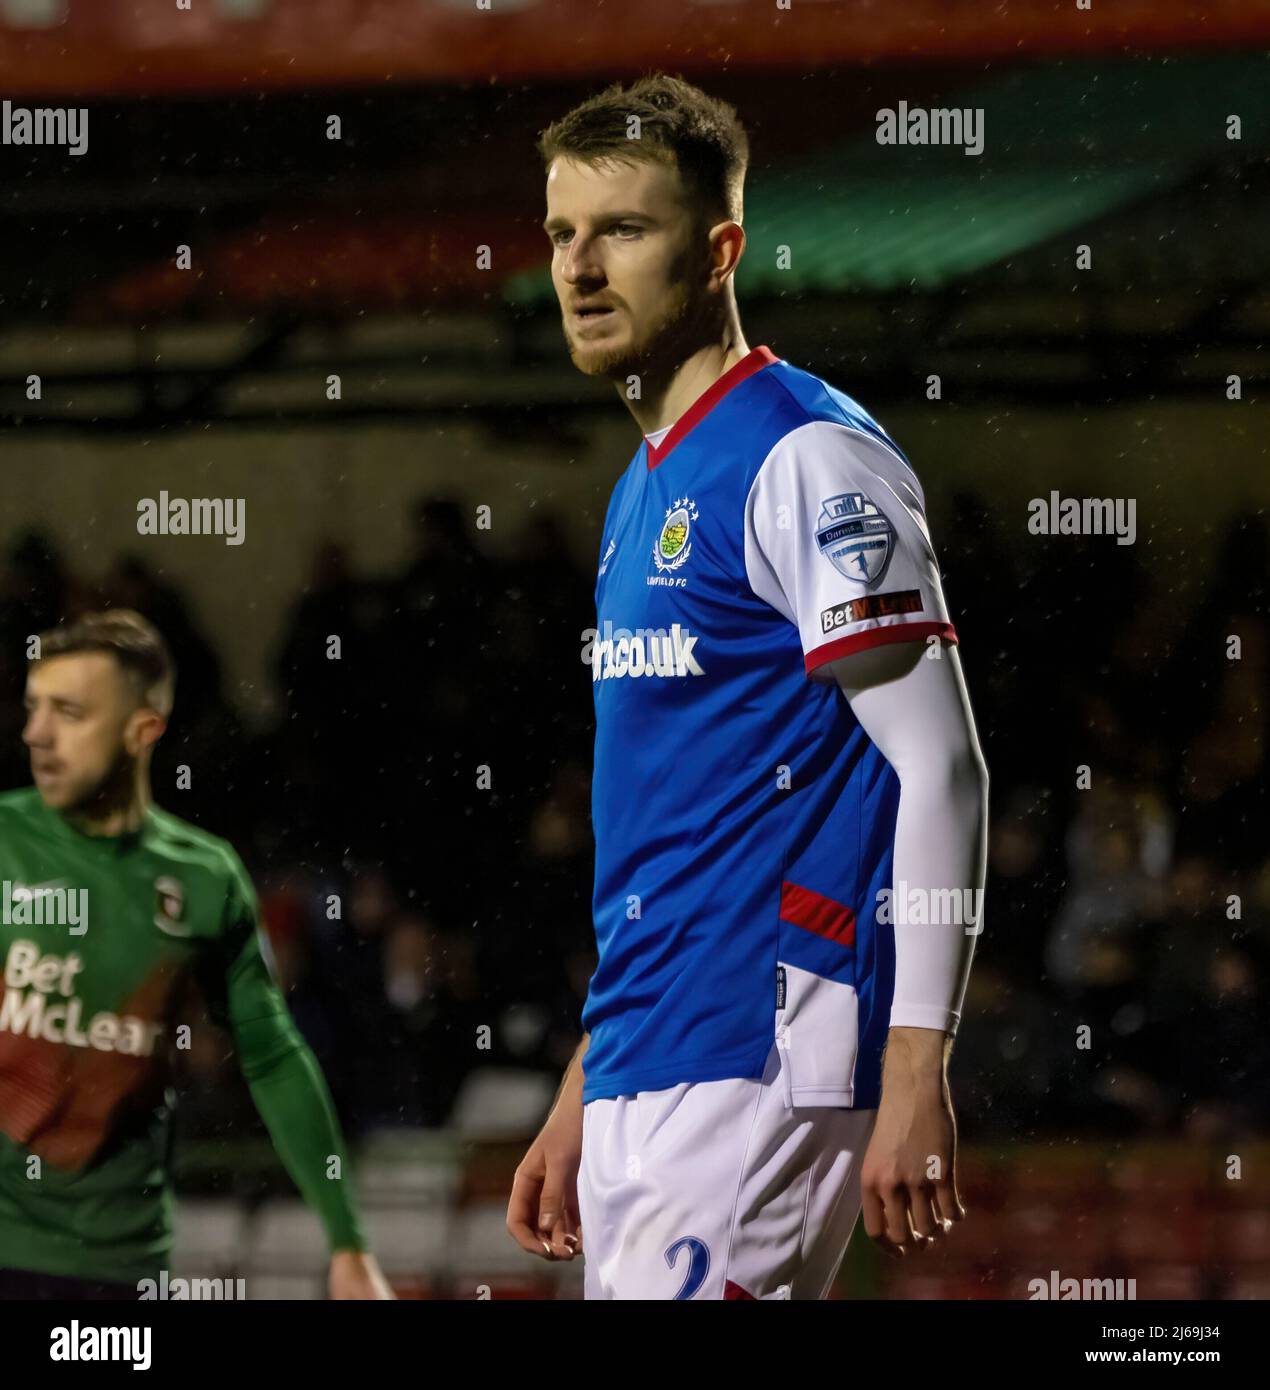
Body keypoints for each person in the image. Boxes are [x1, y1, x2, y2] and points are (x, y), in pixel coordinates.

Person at [507, 74, 988, 1300]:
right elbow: (678, 820)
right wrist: (585, 1080)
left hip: (761, 1049)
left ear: (719, 248)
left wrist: (915, 1062)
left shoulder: (803, 455)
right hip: (649, 1054)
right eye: (562, 232)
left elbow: (940, 764)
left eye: (623, 229)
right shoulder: (641, 486)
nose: (580, 266)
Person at [0, 609, 391, 1300]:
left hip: (114, 1269)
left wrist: (348, 1242)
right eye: (33, 709)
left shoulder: (204, 880)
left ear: (141, 730)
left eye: (68, 712)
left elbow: (273, 1058)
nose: (37, 733)